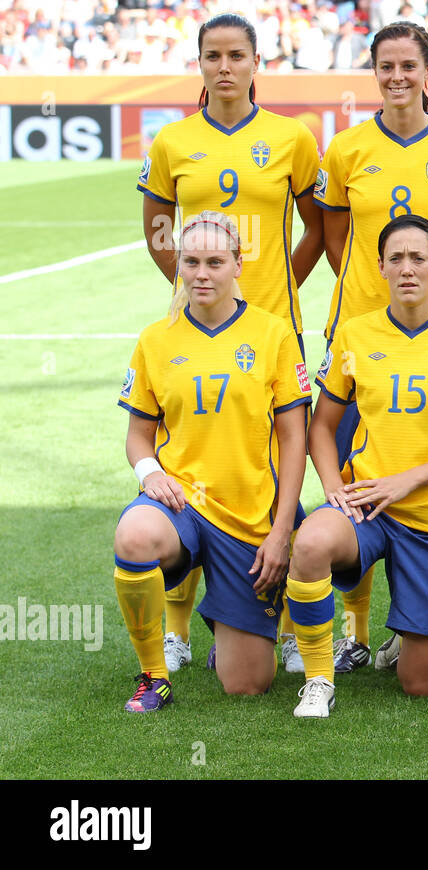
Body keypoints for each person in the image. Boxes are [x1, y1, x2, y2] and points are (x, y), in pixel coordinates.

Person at [137, 12, 323, 678]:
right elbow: (159, 226)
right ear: (200, 63)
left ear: (255, 62)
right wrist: (197, 291)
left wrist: (271, 292)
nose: (224, 66)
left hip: (275, 335)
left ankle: (297, 622)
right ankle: (180, 630)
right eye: (212, 55)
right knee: (186, 467)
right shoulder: (173, 140)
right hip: (198, 336)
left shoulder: (292, 138)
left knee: (280, 467)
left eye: (236, 54)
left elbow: (322, 229)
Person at [315, 20, 428, 675]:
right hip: (360, 341)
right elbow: (336, 237)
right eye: (385, 66)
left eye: (408, 65)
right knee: (355, 486)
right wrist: (372, 300)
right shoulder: (347, 149)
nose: (396, 77)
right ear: (374, 72)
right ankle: (356, 633)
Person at [285, 214, 428, 717]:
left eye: (419, 258)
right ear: (380, 266)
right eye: (396, 258)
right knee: (313, 540)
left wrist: (406, 481)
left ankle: (406, 638)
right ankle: (319, 680)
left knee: (421, 685)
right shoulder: (354, 334)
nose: (408, 268)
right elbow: (321, 427)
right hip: (366, 506)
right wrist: (334, 485)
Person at [113, 211, 311, 712]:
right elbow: (138, 437)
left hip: (248, 516)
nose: (201, 273)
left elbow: (295, 438)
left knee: (247, 683)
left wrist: (281, 528)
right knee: (134, 535)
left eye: (214, 262)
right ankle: (153, 675)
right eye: (191, 261)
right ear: (178, 264)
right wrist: (150, 473)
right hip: (180, 502)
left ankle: (228, 618)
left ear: (237, 265)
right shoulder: (155, 340)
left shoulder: (274, 334)